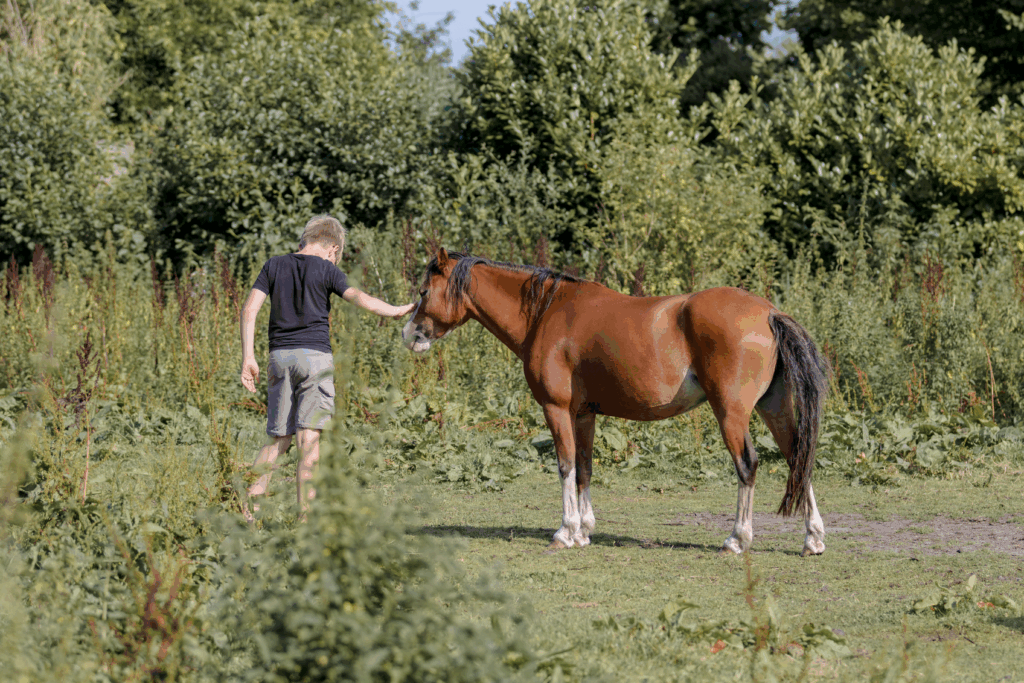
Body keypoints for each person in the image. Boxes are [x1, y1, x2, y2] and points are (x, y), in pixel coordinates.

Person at [239, 215, 414, 521]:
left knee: (278, 438)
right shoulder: (327, 269)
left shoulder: (273, 264)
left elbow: (249, 309)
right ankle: (306, 522)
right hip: (315, 361)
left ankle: (247, 514)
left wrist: (248, 358)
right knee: (309, 441)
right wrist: (401, 309)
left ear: (303, 242)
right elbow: (365, 301)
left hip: (279, 358)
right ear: (333, 248)